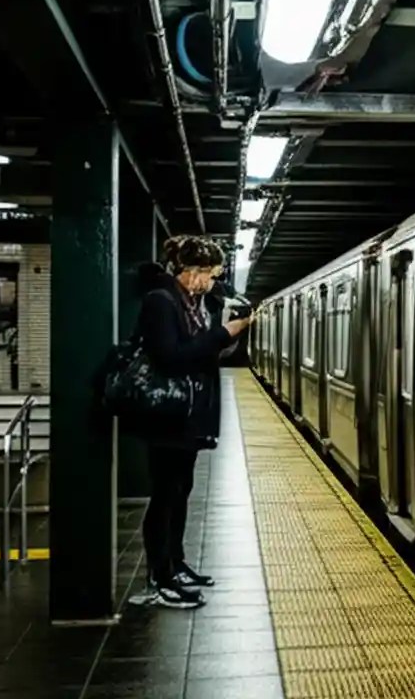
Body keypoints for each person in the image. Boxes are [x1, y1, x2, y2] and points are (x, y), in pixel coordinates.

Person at [132, 235, 251, 609]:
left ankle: (176, 564)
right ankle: (160, 577)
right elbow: (171, 357)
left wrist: (219, 303)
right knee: (165, 496)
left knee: (180, 491)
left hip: (185, 417)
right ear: (191, 271)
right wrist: (222, 334)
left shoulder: (190, 302)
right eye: (209, 275)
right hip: (167, 416)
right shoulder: (161, 302)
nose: (212, 283)